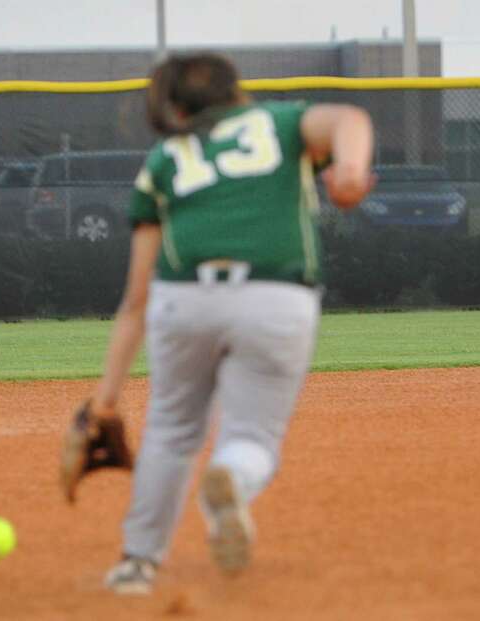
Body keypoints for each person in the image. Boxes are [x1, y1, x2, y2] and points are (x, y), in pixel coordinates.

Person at [87, 52, 374, 595]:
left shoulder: (164, 159)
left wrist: (105, 397)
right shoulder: (281, 124)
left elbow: (135, 298)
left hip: (182, 298)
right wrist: (352, 173)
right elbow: (349, 121)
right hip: (274, 295)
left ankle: (137, 564)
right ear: (236, 90)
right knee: (251, 436)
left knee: (171, 430)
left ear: (173, 105)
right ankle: (232, 481)